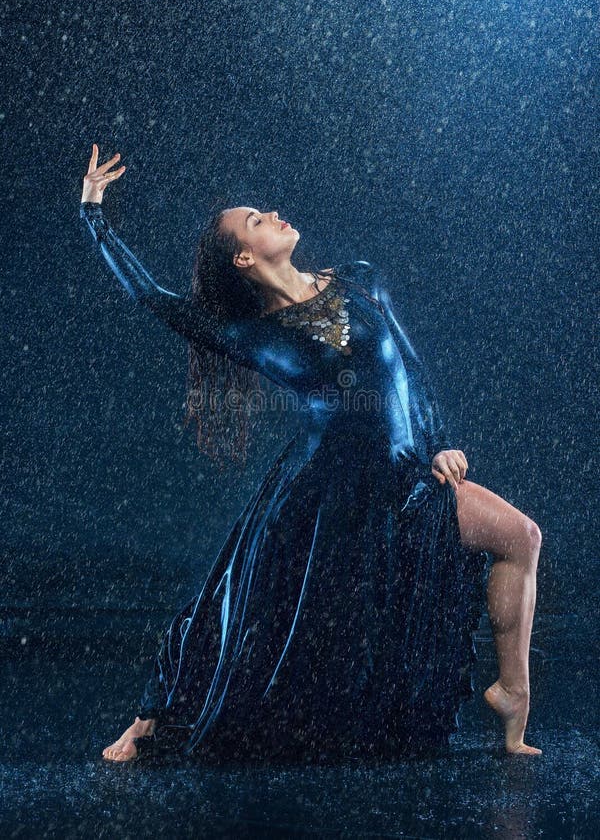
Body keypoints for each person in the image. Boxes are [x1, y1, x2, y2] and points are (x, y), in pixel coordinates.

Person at [79, 144, 542, 763]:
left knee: (521, 536)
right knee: (239, 611)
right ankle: (149, 721)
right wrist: (93, 214)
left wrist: (441, 441)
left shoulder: (358, 277)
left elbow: (407, 366)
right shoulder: (247, 334)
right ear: (245, 256)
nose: (273, 214)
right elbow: (154, 298)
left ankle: (513, 691)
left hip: (407, 476)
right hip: (324, 497)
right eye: (256, 220)